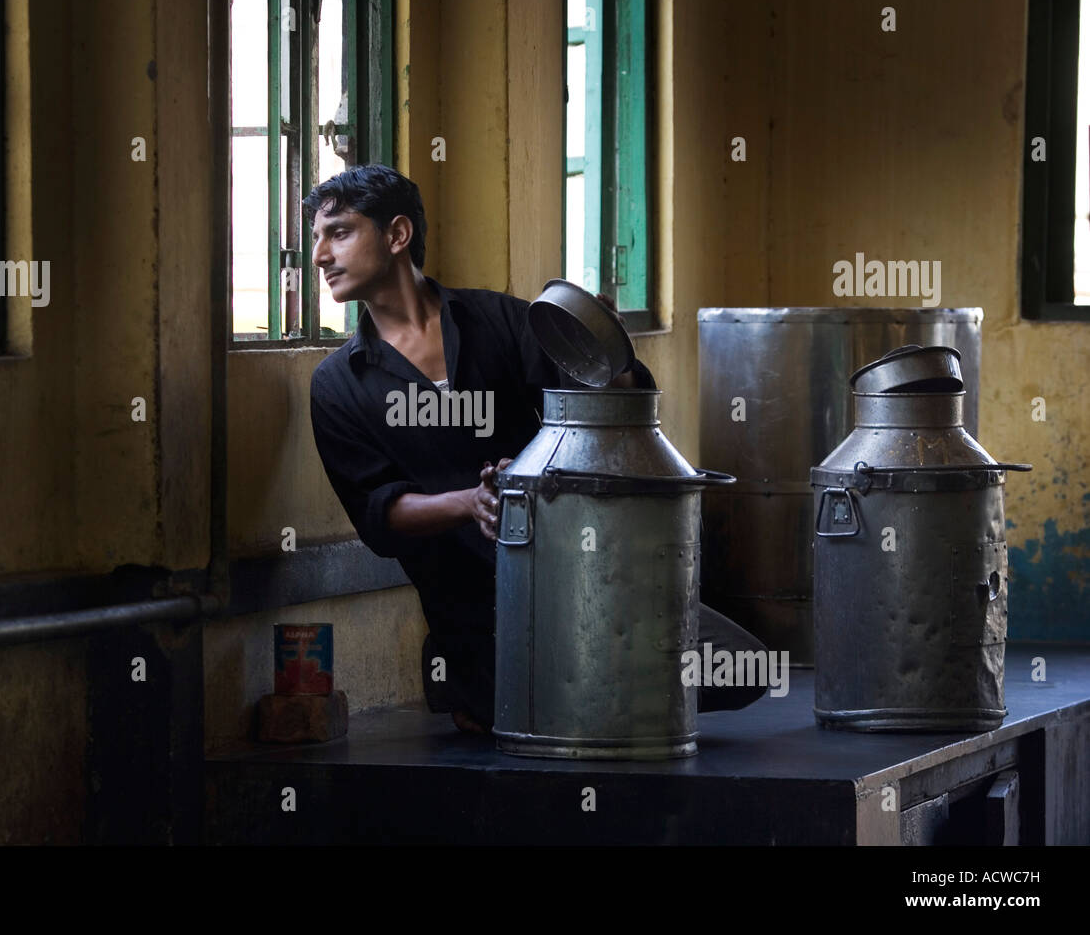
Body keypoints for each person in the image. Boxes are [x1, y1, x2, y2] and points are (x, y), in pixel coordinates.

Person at [305, 164, 766, 734]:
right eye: (317, 238)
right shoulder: (338, 383)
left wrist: (607, 347)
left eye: (340, 232)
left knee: (742, 670)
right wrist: (471, 502)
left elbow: (613, 415)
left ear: (397, 235)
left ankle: (610, 674)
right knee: (540, 708)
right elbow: (379, 514)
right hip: (479, 614)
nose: (320, 255)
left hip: (586, 568)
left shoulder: (502, 320)